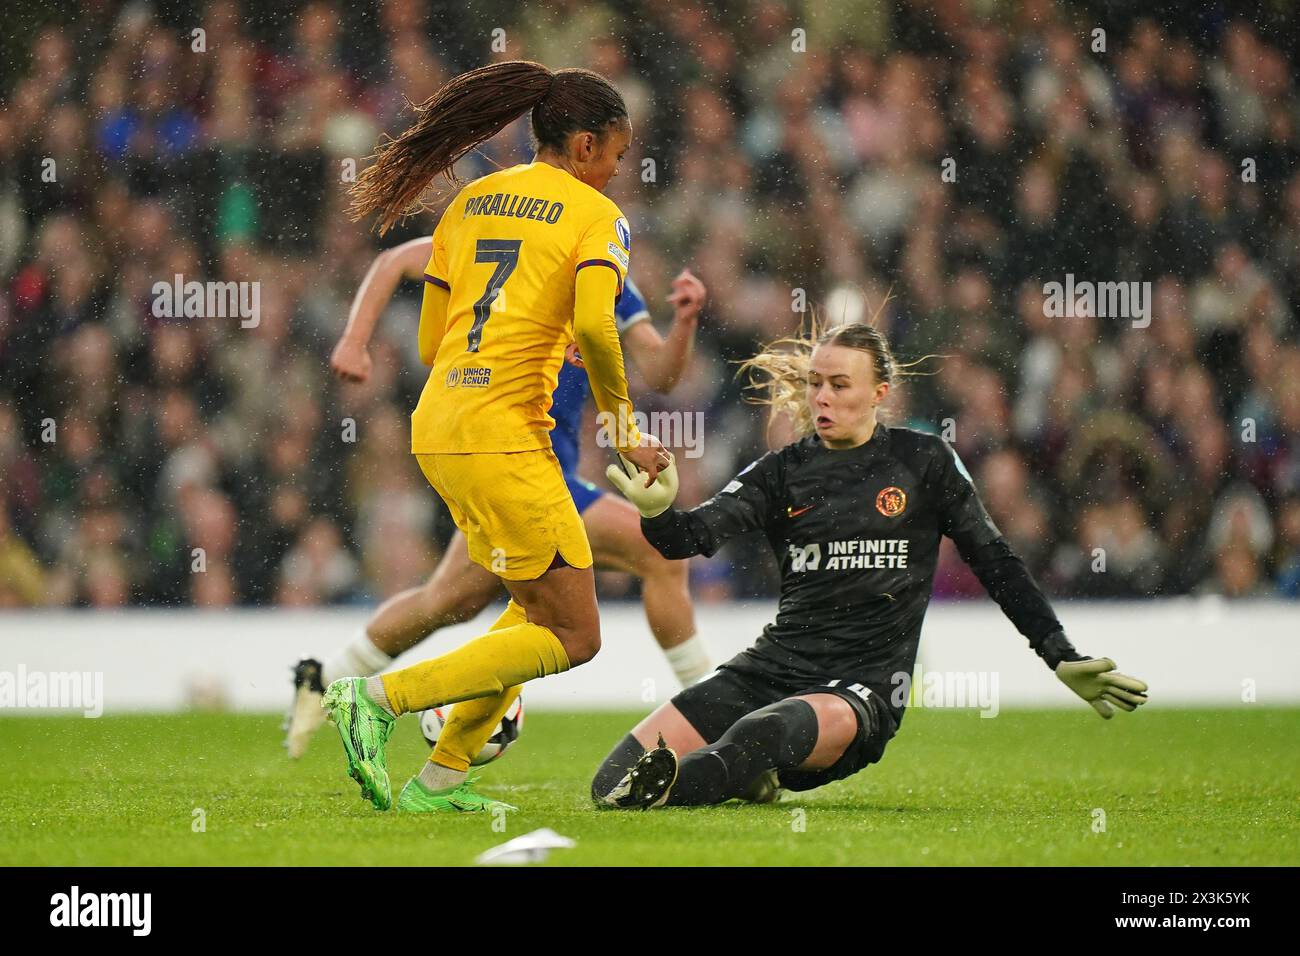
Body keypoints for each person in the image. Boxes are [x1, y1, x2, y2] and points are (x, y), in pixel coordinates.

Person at [592, 320, 1150, 809]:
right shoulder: (782, 471)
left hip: (861, 689)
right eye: (816, 385)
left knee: (760, 733)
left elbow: (997, 564)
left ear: (880, 391)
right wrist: (658, 513)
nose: (822, 399)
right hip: (772, 667)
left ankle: (683, 786)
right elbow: (689, 537)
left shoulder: (923, 462)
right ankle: (722, 779)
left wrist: (1059, 654)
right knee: (608, 781)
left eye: (839, 385)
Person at [323, 59, 675, 814]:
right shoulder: (592, 216)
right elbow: (591, 323)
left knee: (531, 607)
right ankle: (379, 699)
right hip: (506, 435)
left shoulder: (473, 201)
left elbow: (429, 343)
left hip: (440, 426)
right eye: (616, 153)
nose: (617, 171)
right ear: (584, 146)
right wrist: (624, 431)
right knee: (576, 634)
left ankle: (440, 780)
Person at [284, 236, 711, 759]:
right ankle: (708, 707)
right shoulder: (504, 241)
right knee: (659, 554)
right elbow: (396, 259)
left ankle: (325, 681)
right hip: (516, 461)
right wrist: (354, 339)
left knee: (449, 601)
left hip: (528, 468)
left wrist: (685, 323)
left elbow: (661, 373)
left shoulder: (607, 280)